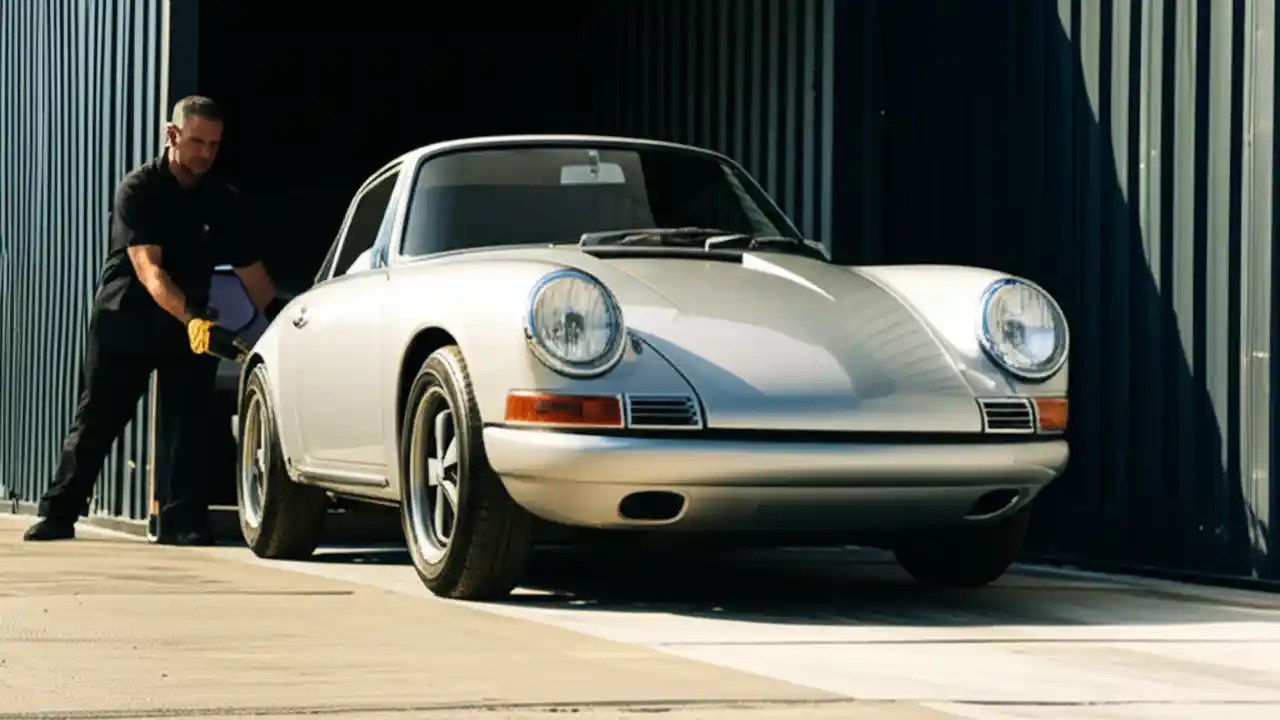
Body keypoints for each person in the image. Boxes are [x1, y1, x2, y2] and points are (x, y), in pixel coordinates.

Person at [23, 95, 288, 545]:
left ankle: (182, 523)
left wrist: (284, 325)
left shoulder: (221, 199)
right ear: (173, 136)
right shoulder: (139, 190)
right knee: (98, 420)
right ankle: (58, 514)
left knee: (189, 425)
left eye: (214, 145)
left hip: (191, 325)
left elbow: (254, 278)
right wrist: (191, 317)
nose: (206, 153)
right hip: (127, 320)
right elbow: (149, 271)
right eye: (197, 142)